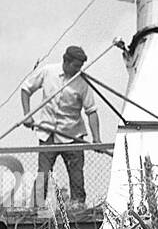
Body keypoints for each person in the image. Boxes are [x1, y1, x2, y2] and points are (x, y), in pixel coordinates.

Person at [19, 45, 101, 209]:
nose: (78, 69)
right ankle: (36, 208)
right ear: (66, 61)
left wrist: (96, 139)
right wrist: (27, 115)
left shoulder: (82, 82)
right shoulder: (48, 72)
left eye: (80, 66)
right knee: (43, 173)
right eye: (76, 66)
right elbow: (26, 88)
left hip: (73, 136)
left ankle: (78, 208)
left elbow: (91, 111)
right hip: (48, 134)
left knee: (76, 175)